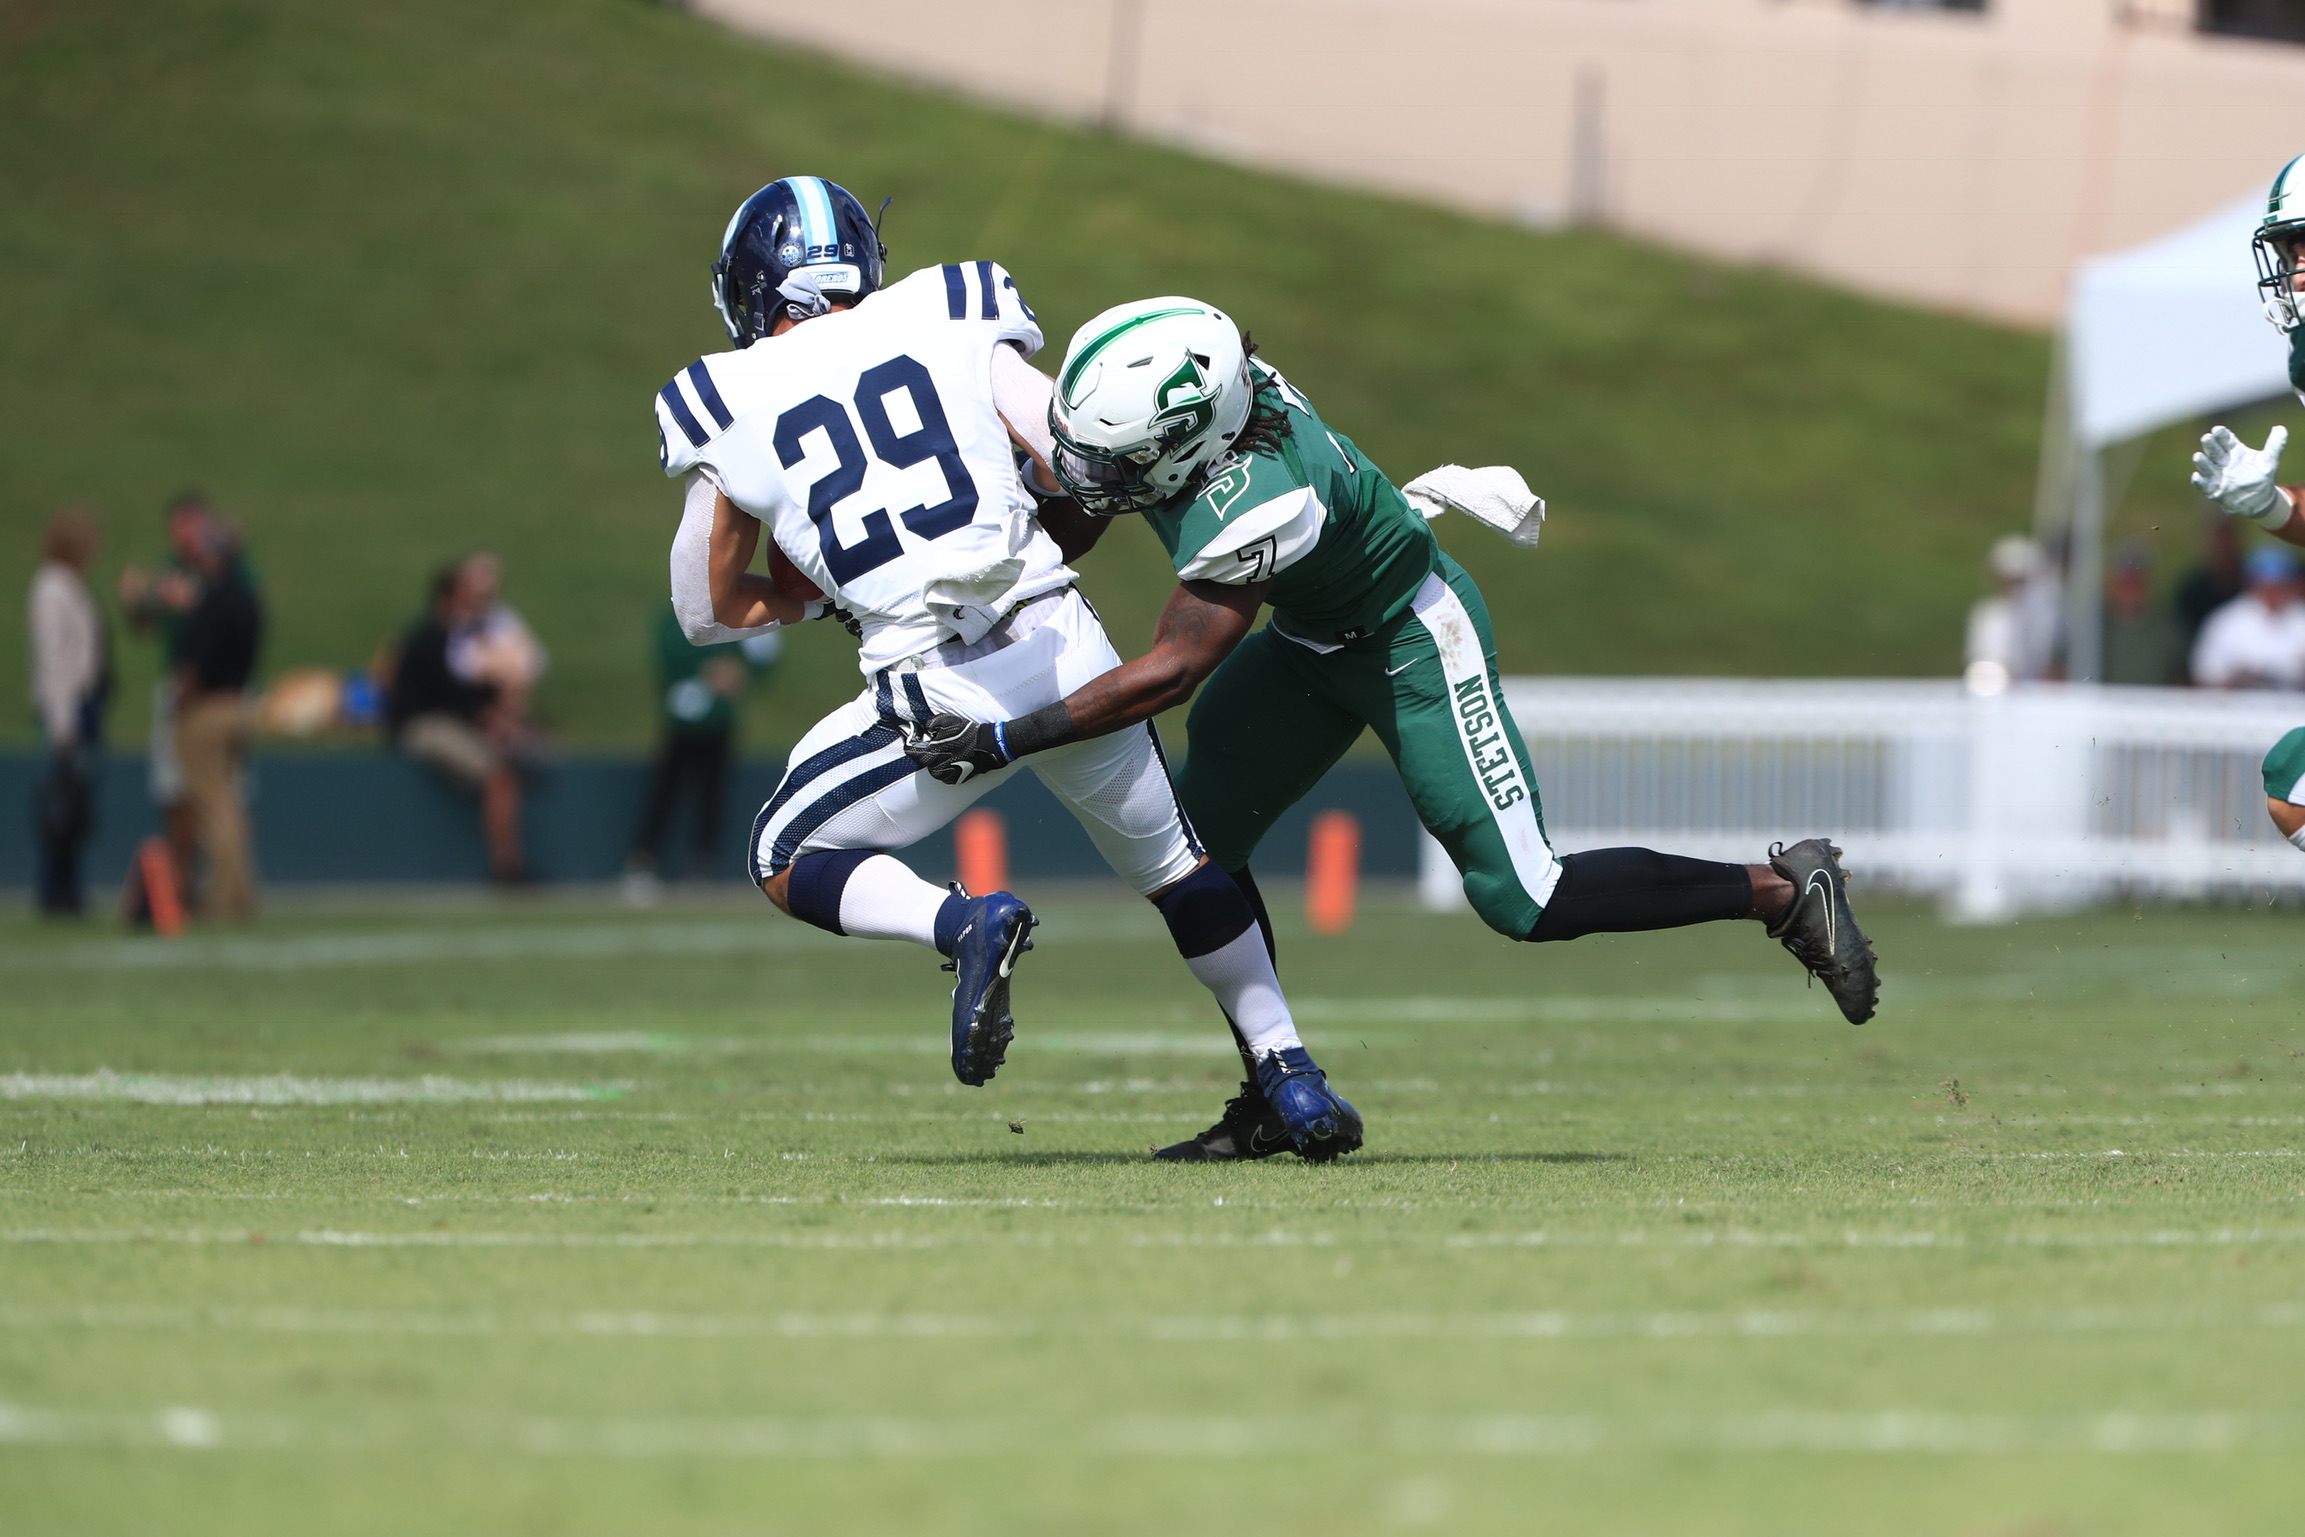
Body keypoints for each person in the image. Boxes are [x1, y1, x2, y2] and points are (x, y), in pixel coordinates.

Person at [902, 296, 1880, 1160]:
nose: (1090, 468)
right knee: (1200, 855)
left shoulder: (1258, 503)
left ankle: (1781, 890)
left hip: (1408, 640)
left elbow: (1172, 671)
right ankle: (1273, 1086)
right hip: (1309, 636)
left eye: (1116, 454)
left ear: (1190, 442)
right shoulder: (1206, 400)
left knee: (1525, 896)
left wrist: (1004, 737)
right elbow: (1085, 497)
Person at [654, 176, 1356, 1159]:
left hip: (933, 684)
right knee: (1178, 865)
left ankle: (960, 922)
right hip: (1061, 639)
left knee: (782, 852)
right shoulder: (948, 306)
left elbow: (706, 607)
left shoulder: (725, 395)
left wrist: (830, 593)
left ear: (747, 286)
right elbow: (1077, 456)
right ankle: (1291, 1074)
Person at [386, 565, 527, 883]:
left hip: (441, 720)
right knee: (499, 778)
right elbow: (447, 696)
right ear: (447, 599)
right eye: (466, 597)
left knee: (505, 772)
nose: (474, 605)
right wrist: (488, 716)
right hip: (423, 724)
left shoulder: (455, 637)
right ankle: (507, 868)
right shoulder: (430, 638)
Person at [627, 603, 779, 890]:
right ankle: (644, 859)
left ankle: (702, 862)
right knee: (666, 791)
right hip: (683, 719)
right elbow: (669, 656)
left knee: (713, 794)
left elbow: (760, 657)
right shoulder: (677, 616)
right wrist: (706, 671)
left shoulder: (733, 614)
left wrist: (739, 673)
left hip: (720, 720)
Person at [169, 513, 263, 918]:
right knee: (230, 803)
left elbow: (195, 667)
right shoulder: (247, 599)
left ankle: (223, 896)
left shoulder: (214, 601)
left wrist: (180, 701)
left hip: (208, 710)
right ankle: (240, 892)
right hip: (238, 705)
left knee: (214, 807)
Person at [117, 494, 212, 888]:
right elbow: (146, 623)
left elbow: (237, 617)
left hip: (213, 690)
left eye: (192, 525)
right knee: (173, 787)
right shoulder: (171, 569)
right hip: (177, 688)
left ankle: (211, 877)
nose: (185, 535)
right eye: (179, 526)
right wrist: (135, 600)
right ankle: (179, 875)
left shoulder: (223, 569)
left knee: (213, 791)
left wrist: (191, 605)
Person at [27, 509, 109, 914]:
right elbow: (54, 658)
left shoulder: (71, 587)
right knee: (62, 801)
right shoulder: (51, 589)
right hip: (69, 706)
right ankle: (56, 890)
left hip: (84, 702)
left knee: (77, 800)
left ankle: (69, 886)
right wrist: (63, 720)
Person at [2191, 546, 2305, 688]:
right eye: (2266, 585)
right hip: (2239, 701)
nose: (2273, 592)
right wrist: (2238, 679)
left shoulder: (2300, 617)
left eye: (2280, 585)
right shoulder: (2225, 621)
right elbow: (2205, 673)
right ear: (2251, 584)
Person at [1961, 534, 2059, 694]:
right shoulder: (1990, 614)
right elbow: (1988, 663)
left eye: (2021, 580)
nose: (2016, 587)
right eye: (2011, 580)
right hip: (2002, 693)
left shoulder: (2048, 616)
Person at [2100, 542, 2185, 687]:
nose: (2130, 587)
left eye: (2136, 580)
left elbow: (2183, 680)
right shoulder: (2091, 630)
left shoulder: (2169, 631)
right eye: (2125, 581)